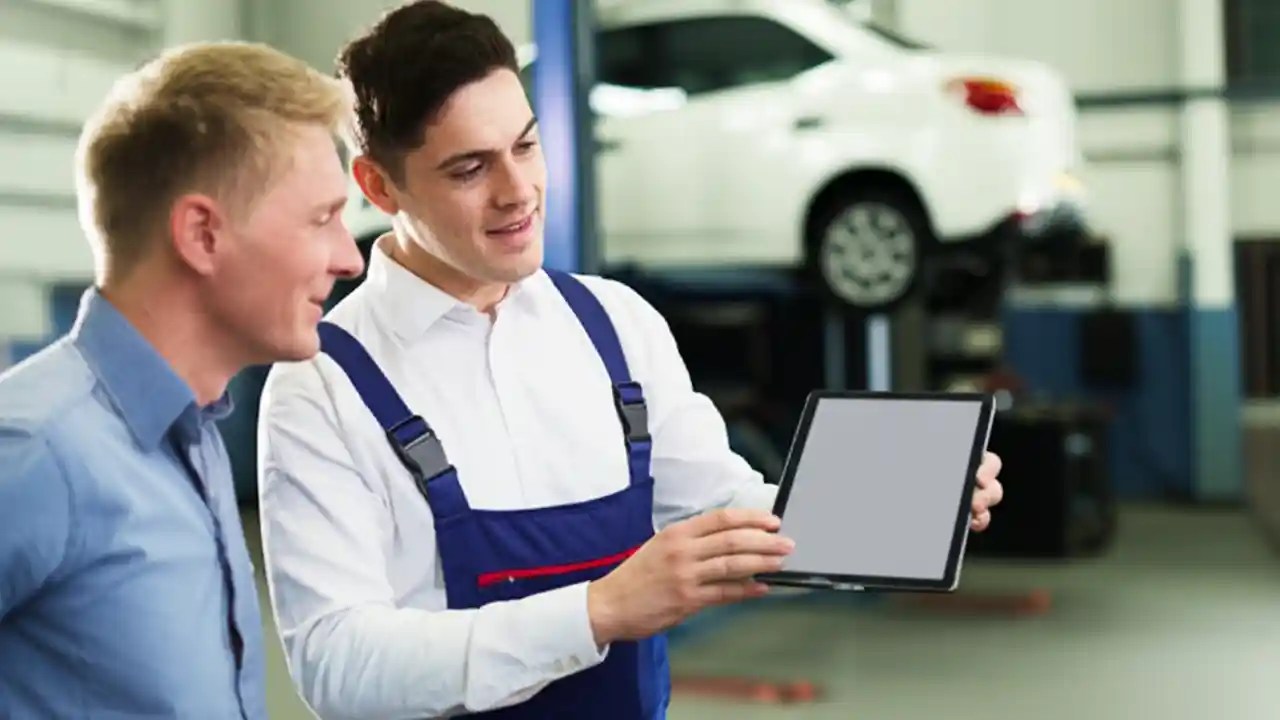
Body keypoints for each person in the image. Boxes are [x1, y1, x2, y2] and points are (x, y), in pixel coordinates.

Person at [256, 2, 1004, 718]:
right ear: (379, 186)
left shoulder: (613, 326)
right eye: (469, 169)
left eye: (525, 144)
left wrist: (899, 508)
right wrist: (599, 610)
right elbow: (338, 664)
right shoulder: (322, 385)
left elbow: (726, 521)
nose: (520, 192)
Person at [0, 42, 364, 718]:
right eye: (322, 218)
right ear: (201, 234)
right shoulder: (34, 450)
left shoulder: (193, 437)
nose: (349, 258)